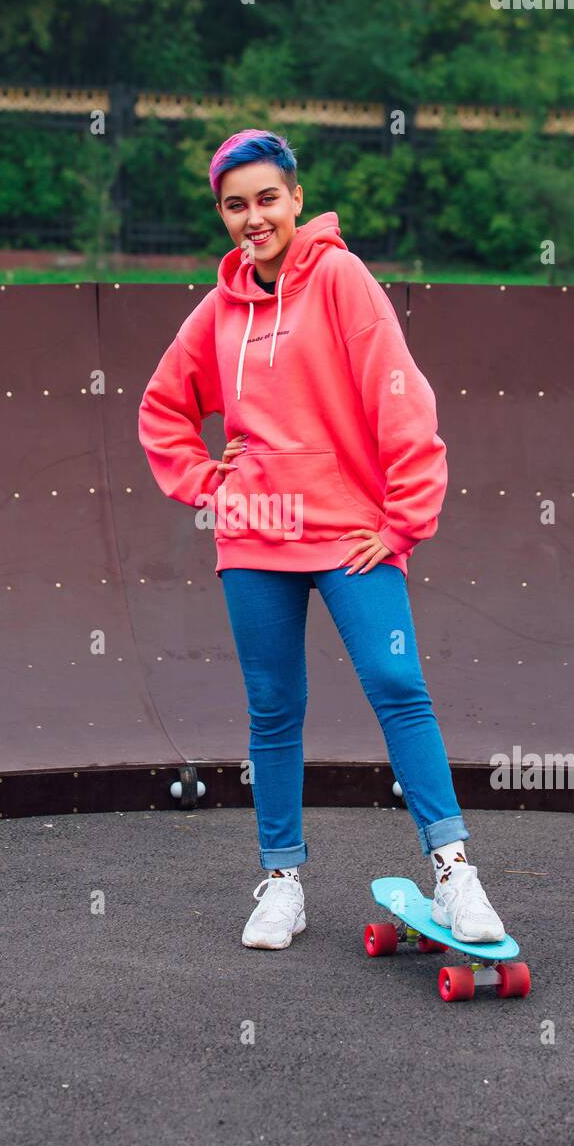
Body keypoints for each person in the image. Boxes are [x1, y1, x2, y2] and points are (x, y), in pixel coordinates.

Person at [138, 128, 505, 951]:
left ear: (297, 199)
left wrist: (402, 519)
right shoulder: (220, 308)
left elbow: (402, 397)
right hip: (254, 538)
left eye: (267, 198)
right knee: (274, 711)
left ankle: (453, 872)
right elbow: (162, 406)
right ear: (223, 215)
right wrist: (209, 482)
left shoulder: (341, 279)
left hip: (348, 532)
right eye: (236, 205)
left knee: (395, 682)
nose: (253, 217)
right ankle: (282, 882)